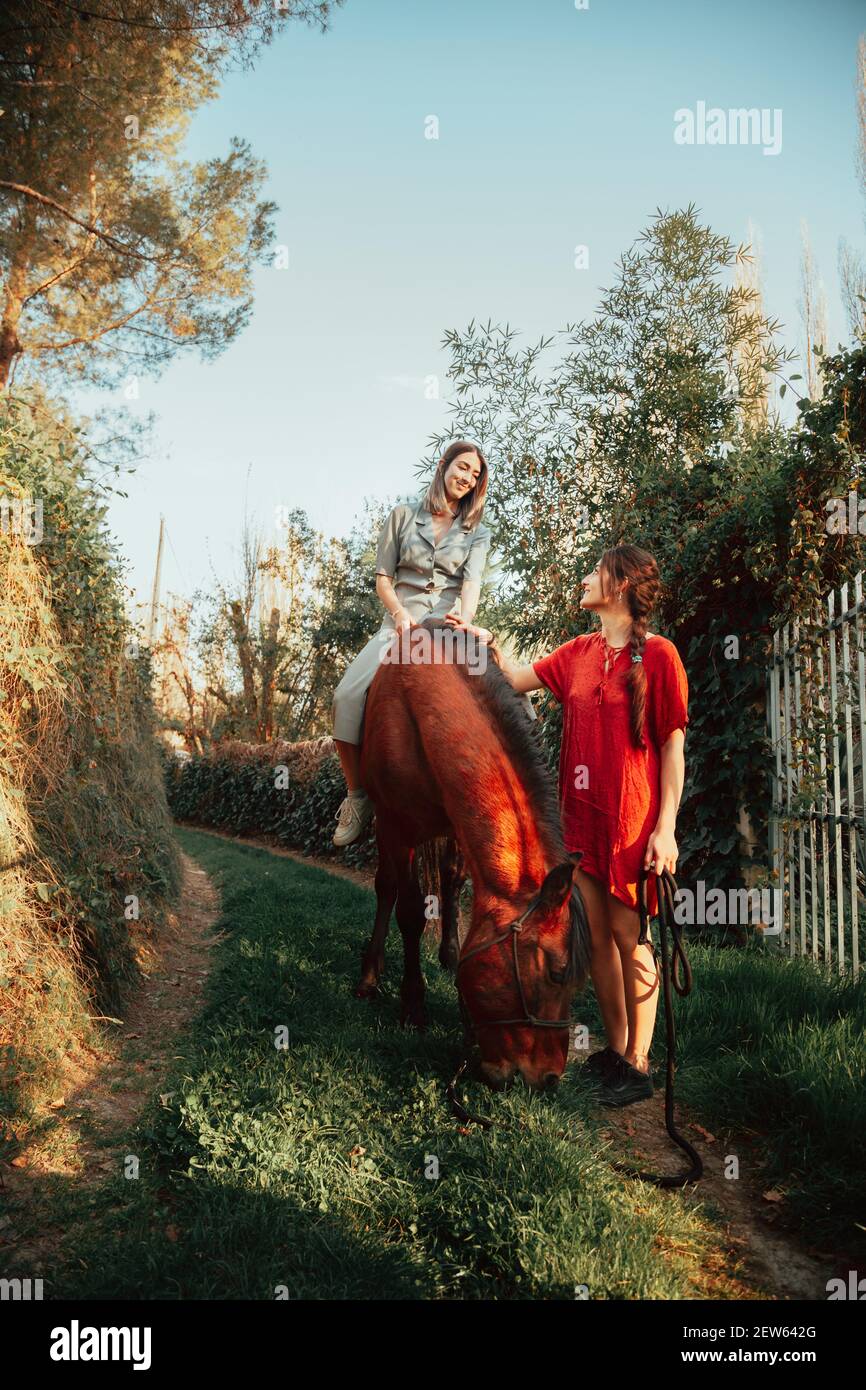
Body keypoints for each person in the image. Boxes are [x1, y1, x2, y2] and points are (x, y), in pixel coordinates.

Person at [446, 545, 688, 1107]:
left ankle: (640, 1063)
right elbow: (513, 678)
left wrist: (666, 827)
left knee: (631, 939)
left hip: (632, 823)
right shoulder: (578, 652)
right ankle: (616, 1048)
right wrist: (482, 639)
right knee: (596, 938)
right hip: (579, 823)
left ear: (621, 585)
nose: (584, 579)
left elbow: (673, 744)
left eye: (594, 572)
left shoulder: (659, 656)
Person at [331, 440, 496, 845]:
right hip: (398, 625)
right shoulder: (402, 516)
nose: (467, 478)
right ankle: (356, 796)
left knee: (510, 701)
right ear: (444, 466)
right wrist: (401, 617)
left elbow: (471, 584)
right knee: (345, 698)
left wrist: (467, 618)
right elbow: (382, 579)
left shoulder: (478, 532)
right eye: (463, 468)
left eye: (475, 475)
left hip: (446, 626)